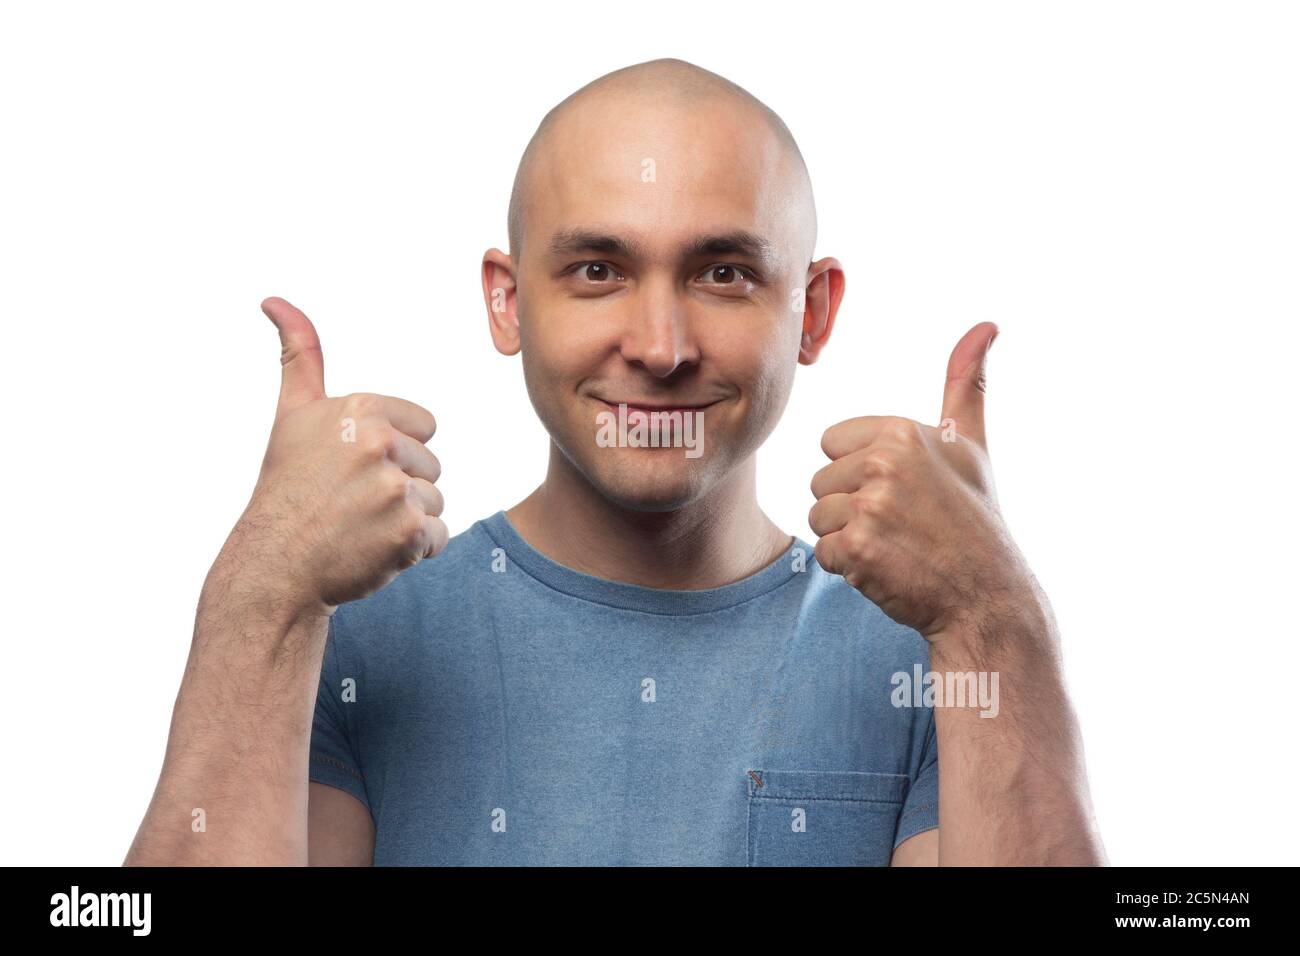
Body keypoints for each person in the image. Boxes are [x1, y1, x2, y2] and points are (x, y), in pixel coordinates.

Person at [125, 58, 1105, 866]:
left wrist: (995, 620)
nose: (659, 344)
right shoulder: (351, 647)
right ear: (508, 303)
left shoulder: (928, 659)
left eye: (722, 271)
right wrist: (258, 596)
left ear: (810, 312)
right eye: (598, 270)